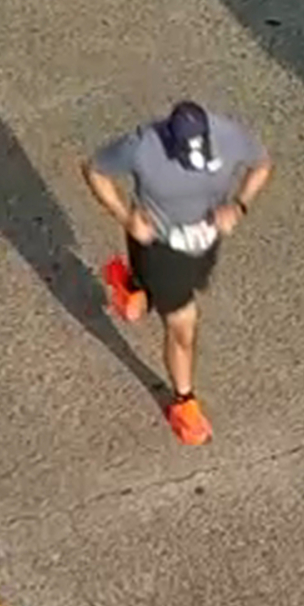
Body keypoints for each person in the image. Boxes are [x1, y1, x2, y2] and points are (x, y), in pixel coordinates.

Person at [83, 101, 272, 445]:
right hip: (158, 243)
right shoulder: (142, 145)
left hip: (204, 240)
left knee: (181, 286)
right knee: (183, 324)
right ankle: (184, 403)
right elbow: (96, 170)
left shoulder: (230, 135)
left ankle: (131, 285)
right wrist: (126, 217)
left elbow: (261, 165)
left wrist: (239, 204)